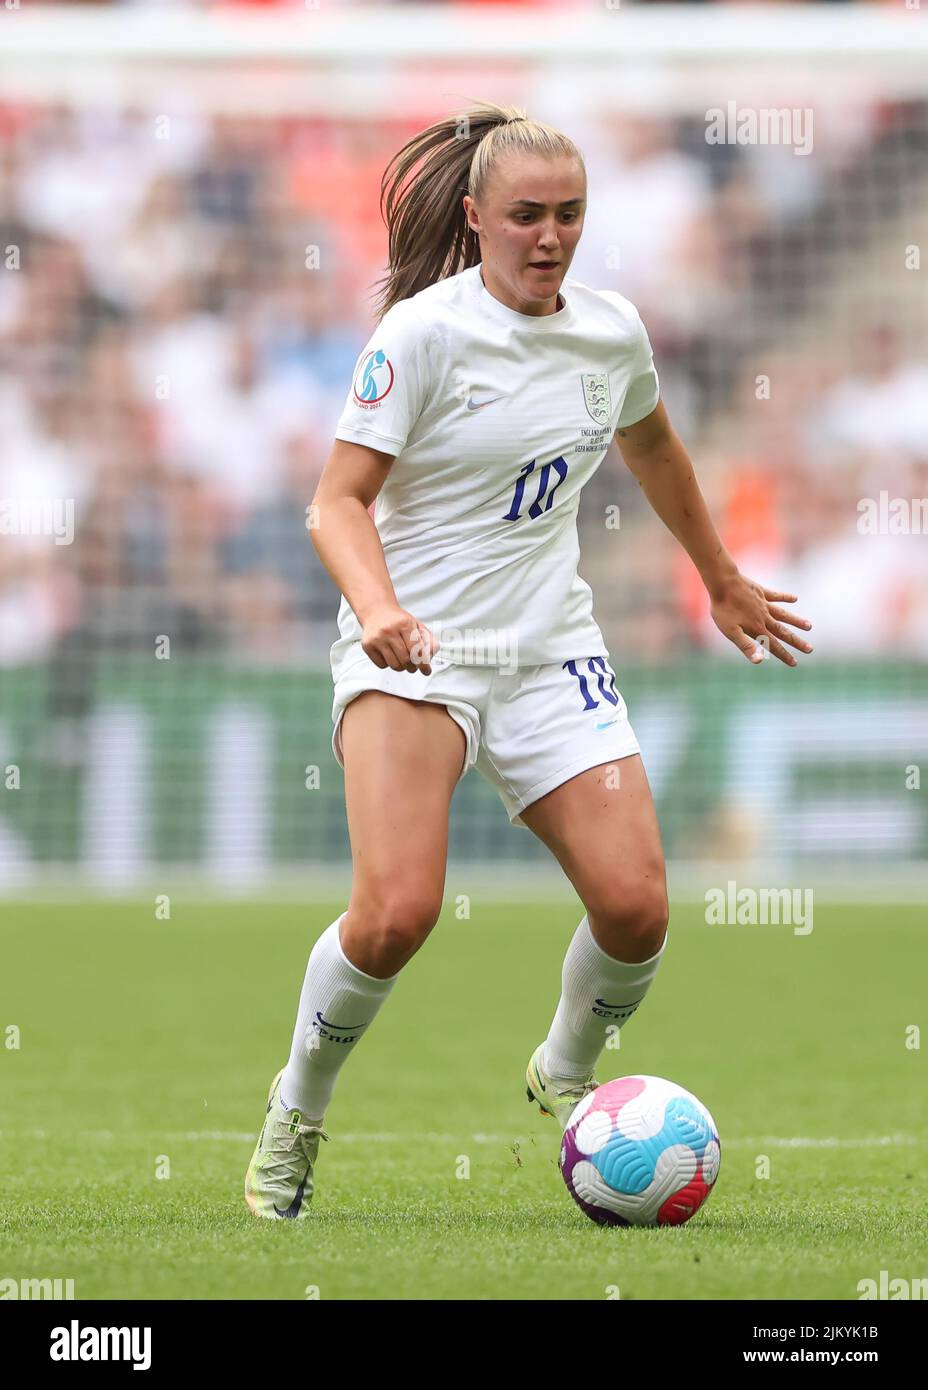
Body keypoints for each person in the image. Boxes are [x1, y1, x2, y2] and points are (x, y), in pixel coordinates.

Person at [244, 102, 813, 1220]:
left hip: (550, 645)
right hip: (418, 649)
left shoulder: (610, 331)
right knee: (396, 913)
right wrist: (378, 609)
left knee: (638, 909)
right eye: (524, 216)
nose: (550, 235)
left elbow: (653, 448)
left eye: (569, 214)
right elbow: (335, 503)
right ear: (475, 216)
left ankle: (563, 1069)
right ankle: (295, 1111)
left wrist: (719, 575)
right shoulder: (421, 335)